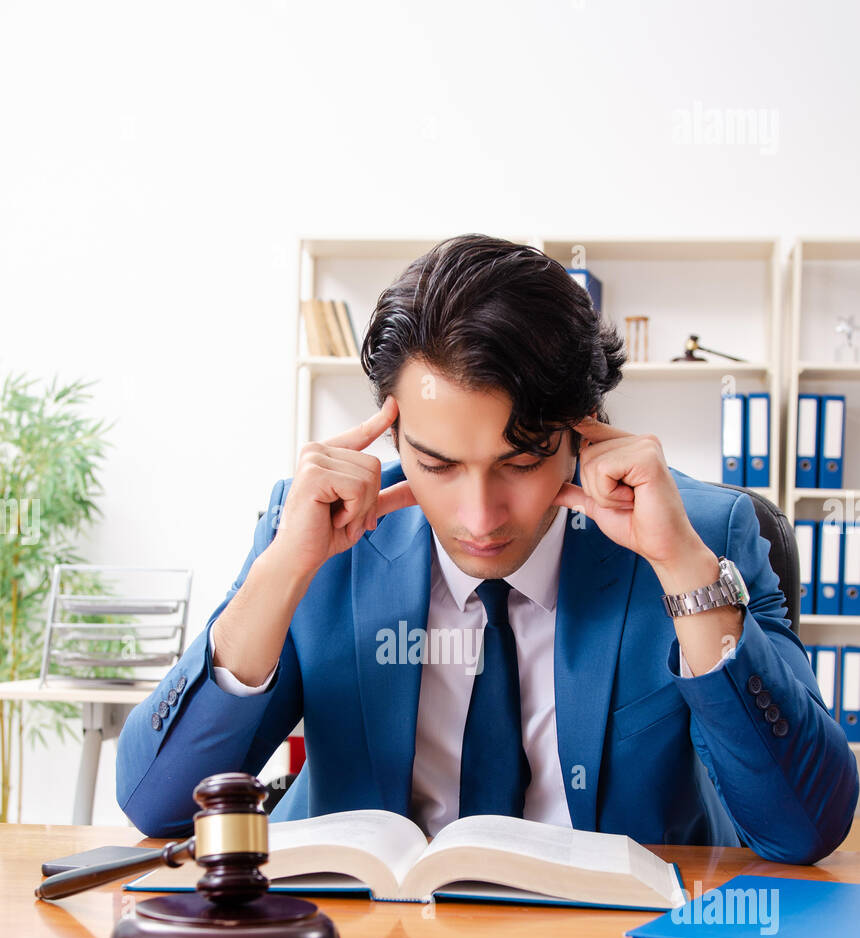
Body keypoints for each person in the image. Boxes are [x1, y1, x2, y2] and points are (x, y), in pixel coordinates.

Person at [115, 233, 858, 862]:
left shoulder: (703, 536)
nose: (479, 515)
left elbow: (804, 830)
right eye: (436, 465)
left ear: (585, 428)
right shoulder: (319, 530)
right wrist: (284, 570)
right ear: (391, 431)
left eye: (521, 461)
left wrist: (682, 571)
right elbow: (158, 804)